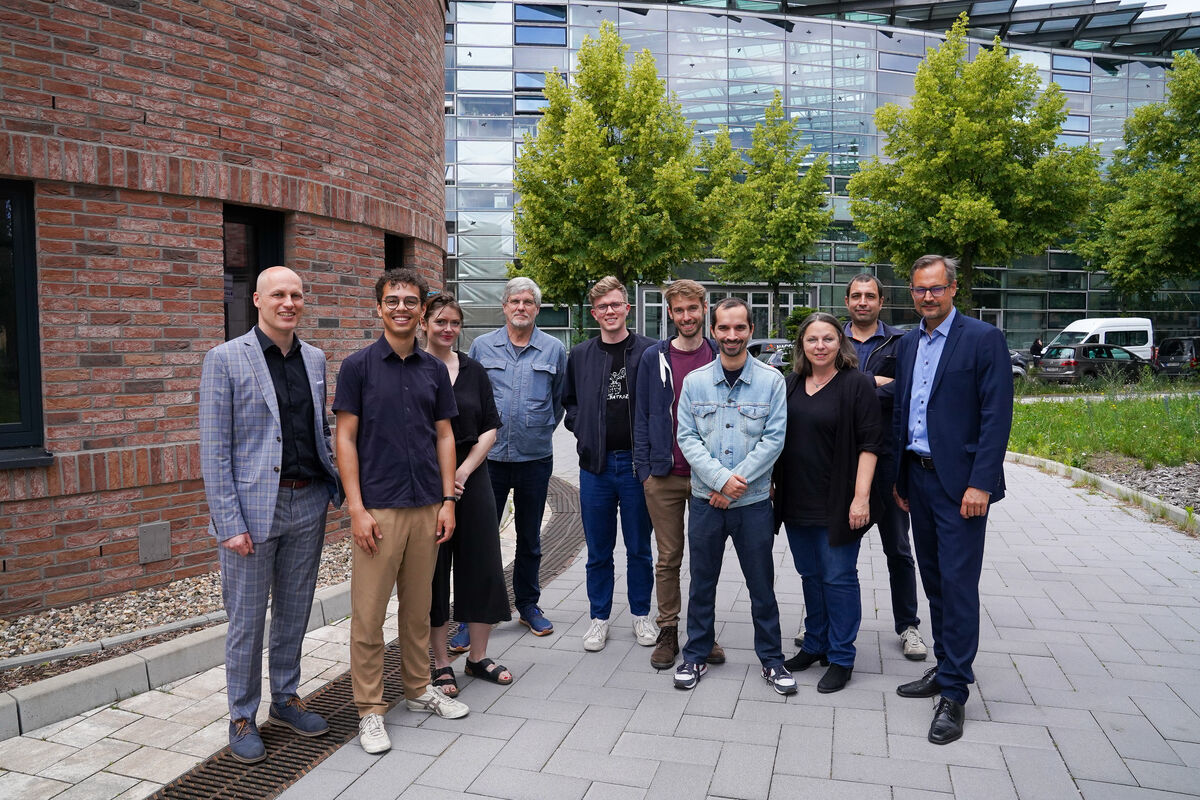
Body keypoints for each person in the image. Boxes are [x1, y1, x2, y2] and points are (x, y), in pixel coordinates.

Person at [199, 266, 342, 763]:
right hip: (253, 511)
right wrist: (229, 522)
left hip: (308, 502)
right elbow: (215, 451)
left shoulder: (316, 358)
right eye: (278, 294)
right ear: (257, 299)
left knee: (295, 610)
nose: (289, 302)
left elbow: (317, 428)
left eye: (296, 295)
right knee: (246, 619)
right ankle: (242, 714)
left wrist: (334, 483)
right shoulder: (224, 360)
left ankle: (284, 699)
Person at [334, 269, 469, 757]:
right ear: (379, 308)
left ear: (421, 309)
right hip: (378, 510)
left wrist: (448, 501)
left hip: (427, 508)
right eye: (392, 300)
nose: (402, 308)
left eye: (411, 301)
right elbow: (344, 438)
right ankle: (370, 710)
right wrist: (356, 508)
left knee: (418, 611)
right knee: (368, 618)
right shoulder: (358, 367)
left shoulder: (434, 369)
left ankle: (416, 690)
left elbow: (445, 436)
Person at [892, 255, 1013, 745]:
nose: (927, 297)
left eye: (936, 289)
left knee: (959, 586)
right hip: (917, 480)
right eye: (920, 290)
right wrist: (899, 479)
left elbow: (996, 415)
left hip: (961, 485)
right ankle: (945, 668)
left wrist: (981, 483)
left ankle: (956, 694)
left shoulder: (983, 340)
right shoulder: (907, 344)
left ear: (953, 289)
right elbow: (903, 409)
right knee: (936, 582)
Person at [674, 297, 794, 695]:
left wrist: (733, 482)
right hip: (705, 502)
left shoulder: (771, 381)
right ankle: (695, 654)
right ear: (713, 330)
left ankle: (772, 661)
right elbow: (687, 438)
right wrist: (718, 482)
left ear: (750, 331)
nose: (731, 336)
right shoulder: (694, 383)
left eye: (739, 328)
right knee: (702, 582)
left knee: (762, 585)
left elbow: (774, 440)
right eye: (723, 328)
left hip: (754, 504)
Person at [775, 313, 882, 694]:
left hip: (838, 501)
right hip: (796, 500)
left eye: (828, 339)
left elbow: (871, 445)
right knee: (810, 576)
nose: (820, 346)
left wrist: (861, 498)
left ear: (841, 343)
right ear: (802, 345)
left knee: (838, 577)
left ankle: (841, 656)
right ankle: (816, 643)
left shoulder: (857, 385)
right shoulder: (790, 384)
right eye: (812, 339)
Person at [465, 277, 567, 642]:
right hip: (487, 461)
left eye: (528, 302)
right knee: (480, 538)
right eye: (515, 301)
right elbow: (471, 395)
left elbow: (558, 402)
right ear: (504, 306)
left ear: (537, 309)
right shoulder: (481, 346)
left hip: (535, 459)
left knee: (530, 538)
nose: (521, 307)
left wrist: (536, 429)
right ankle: (473, 613)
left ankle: (527, 605)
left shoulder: (554, 349)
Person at [422, 295, 513, 695]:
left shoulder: (474, 370)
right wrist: (443, 478)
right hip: (425, 481)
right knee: (435, 570)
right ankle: (441, 663)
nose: (448, 329)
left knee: (483, 566)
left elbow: (491, 426)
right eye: (440, 321)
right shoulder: (416, 368)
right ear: (425, 322)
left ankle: (477, 658)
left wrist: (461, 472)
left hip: (472, 476)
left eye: (455, 323)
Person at [633, 279, 726, 670]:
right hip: (664, 474)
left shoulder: (720, 354)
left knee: (706, 558)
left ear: (704, 309)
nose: (686, 317)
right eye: (679, 310)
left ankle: (702, 634)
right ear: (669, 313)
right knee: (668, 557)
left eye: (693, 308)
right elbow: (641, 414)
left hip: (709, 476)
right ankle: (668, 629)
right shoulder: (654, 357)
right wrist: (644, 471)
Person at [563, 277, 656, 652]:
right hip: (595, 468)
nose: (610, 312)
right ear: (594, 312)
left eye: (616, 305)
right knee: (598, 550)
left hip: (637, 468)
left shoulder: (650, 351)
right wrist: (582, 429)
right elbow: (568, 401)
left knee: (639, 548)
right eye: (602, 307)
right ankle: (599, 618)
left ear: (627, 308)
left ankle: (641, 615)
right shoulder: (581, 354)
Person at [843, 274, 927, 661]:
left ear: (881, 301)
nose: (863, 302)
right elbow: (818, 382)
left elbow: (910, 387)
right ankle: (820, 616)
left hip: (890, 460)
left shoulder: (902, 342)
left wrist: (857, 384)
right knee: (838, 549)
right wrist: (874, 382)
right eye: (856, 296)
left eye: (870, 296)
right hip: (842, 461)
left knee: (898, 549)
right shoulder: (831, 338)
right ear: (847, 301)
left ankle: (908, 625)